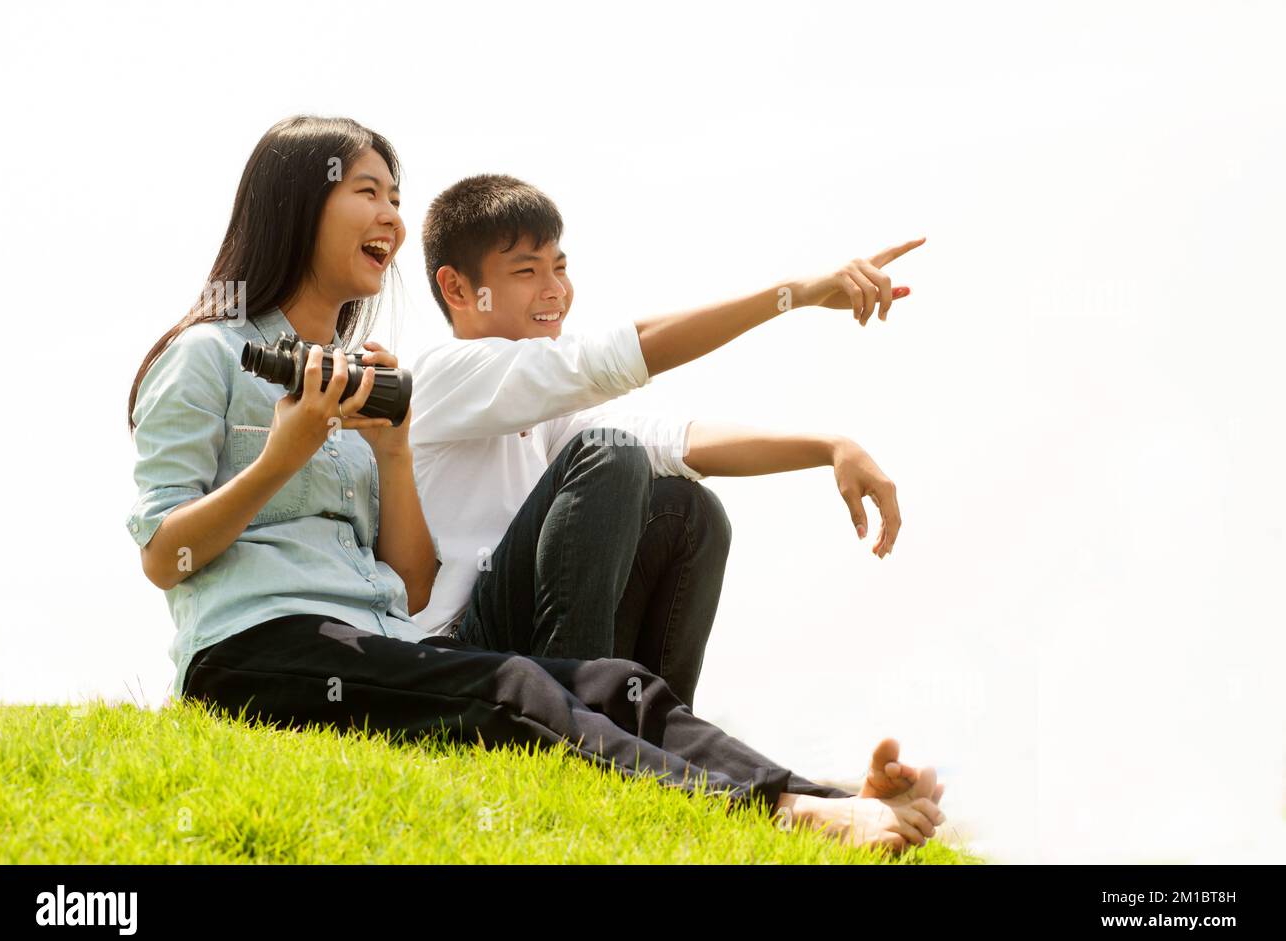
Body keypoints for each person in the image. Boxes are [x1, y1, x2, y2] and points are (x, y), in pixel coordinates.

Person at [125, 114, 946, 853]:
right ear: (296, 205)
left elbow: (409, 583)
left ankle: (818, 793)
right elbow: (166, 556)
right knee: (513, 682)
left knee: (607, 681)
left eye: (395, 196)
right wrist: (281, 455)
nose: (392, 217)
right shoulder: (207, 356)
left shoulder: (360, 382)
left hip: (377, 640)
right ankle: (782, 815)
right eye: (367, 192)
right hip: (251, 655)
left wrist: (395, 453)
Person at [407, 174, 920, 710]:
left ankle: (652, 731)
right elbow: (615, 360)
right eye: (526, 271)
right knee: (612, 453)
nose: (555, 289)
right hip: (457, 654)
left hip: (512, 642)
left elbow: (675, 443)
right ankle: (567, 723)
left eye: (559, 266)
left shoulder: (542, 407)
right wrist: (794, 295)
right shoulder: (444, 375)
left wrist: (828, 446)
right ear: (458, 289)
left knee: (686, 509)